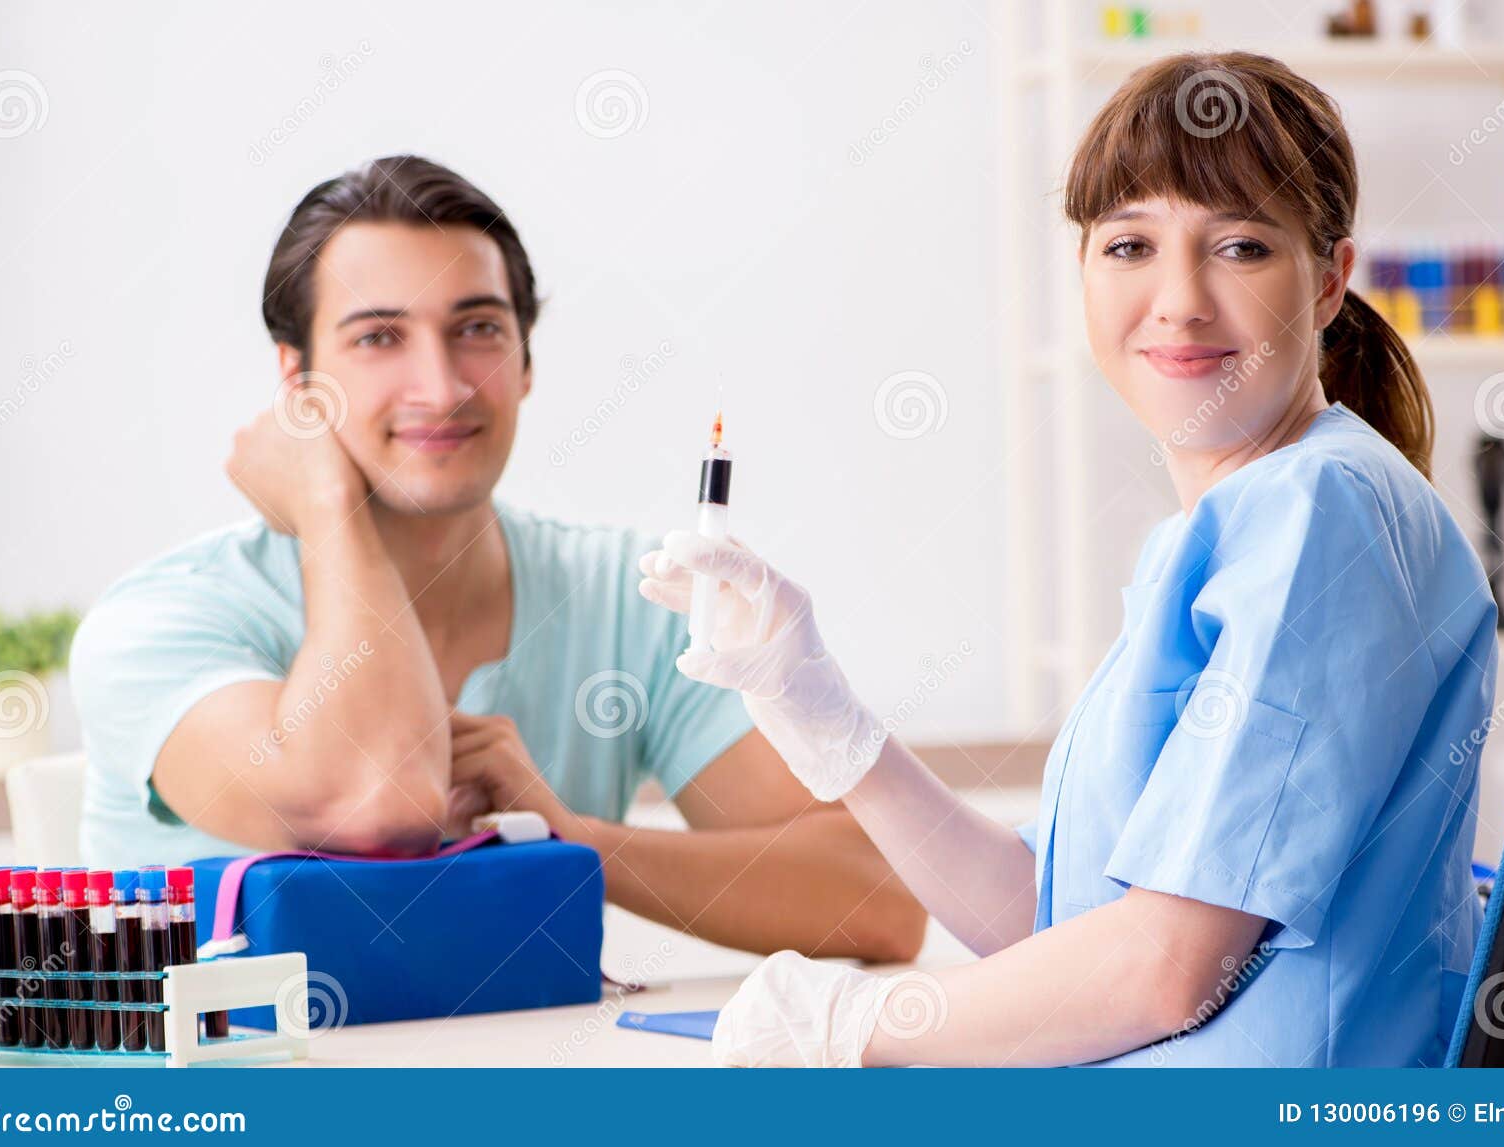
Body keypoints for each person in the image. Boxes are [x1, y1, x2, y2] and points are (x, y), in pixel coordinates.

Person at [640, 52, 1498, 1065]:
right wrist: (827, 724)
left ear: (1327, 283)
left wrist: (853, 1029)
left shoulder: (1320, 511)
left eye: (1239, 247)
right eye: (1129, 244)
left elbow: (1164, 972)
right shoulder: (1213, 536)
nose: (1177, 301)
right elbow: (1055, 929)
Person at [69, 155, 925, 963]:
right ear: (296, 380)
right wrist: (330, 508)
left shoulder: (623, 598)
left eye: (477, 328)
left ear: (525, 362)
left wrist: (573, 841)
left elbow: (882, 900)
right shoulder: (158, 623)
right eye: (377, 339)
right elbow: (377, 806)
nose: (441, 388)